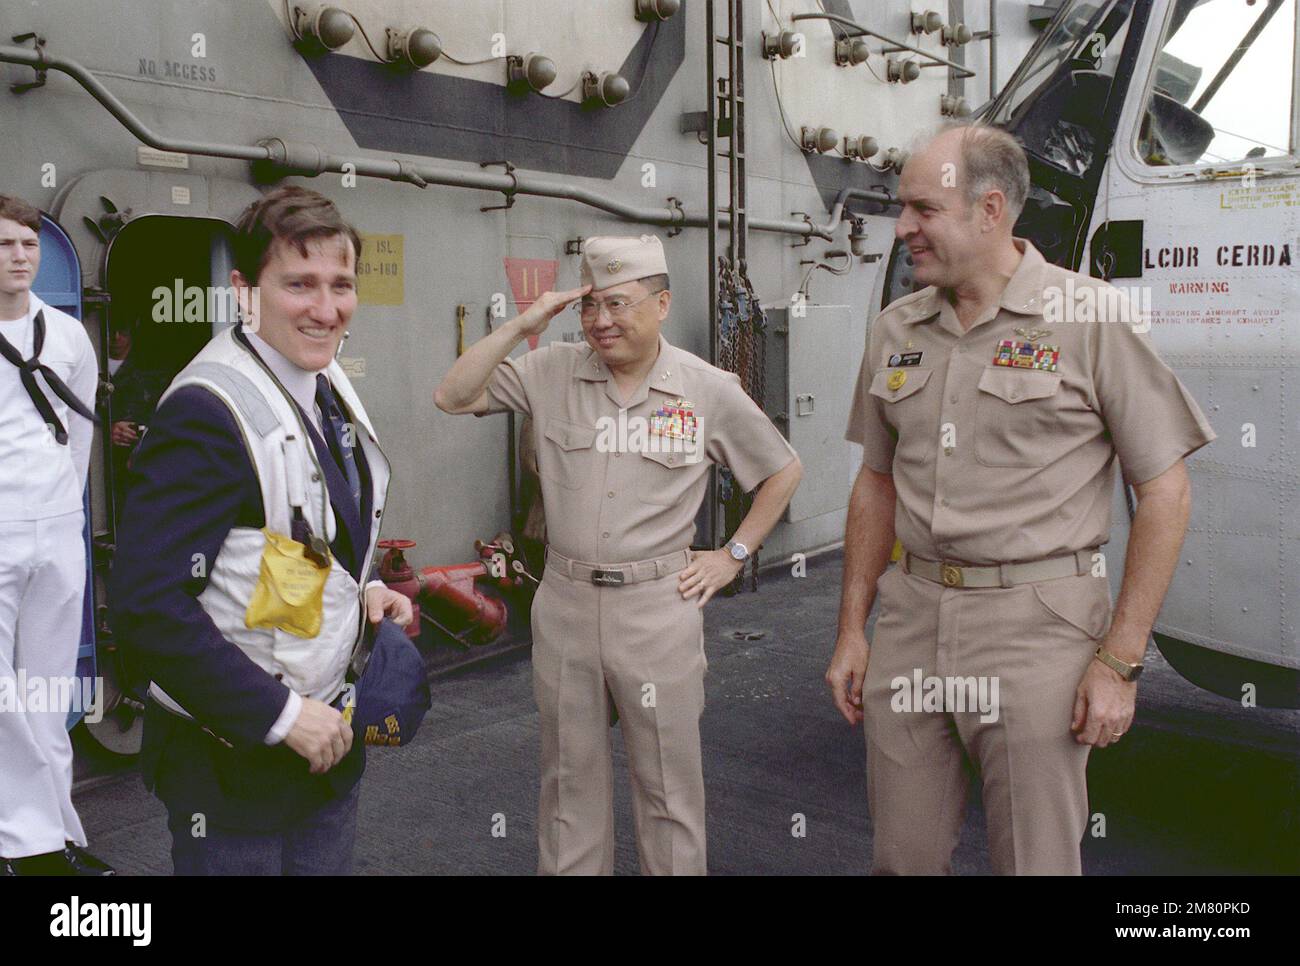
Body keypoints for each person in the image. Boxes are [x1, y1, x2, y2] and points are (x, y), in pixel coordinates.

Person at [825, 122, 1217, 875]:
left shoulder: (1092, 318)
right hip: (911, 617)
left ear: (990, 210)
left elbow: (1165, 488)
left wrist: (1122, 661)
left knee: (1033, 862)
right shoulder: (895, 328)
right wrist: (853, 627)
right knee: (900, 859)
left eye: (921, 210)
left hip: (1038, 630)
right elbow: (875, 482)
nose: (902, 227)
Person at [436, 234, 802, 875]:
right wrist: (525, 323)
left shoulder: (706, 388)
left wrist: (734, 554)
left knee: (667, 789)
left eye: (620, 304)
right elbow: (454, 394)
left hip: (657, 607)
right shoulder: (551, 371)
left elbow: (781, 469)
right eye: (590, 306)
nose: (601, 321)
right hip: (567, 604)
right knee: (566, 788)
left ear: (662, 304)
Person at [111, 186, 411, 875]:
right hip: (233, 763)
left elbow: (292, 535)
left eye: (340, 284)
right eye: (299, 284)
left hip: (326, 743)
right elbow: (147, 608)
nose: (326, 308)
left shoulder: (321, 377)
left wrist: (359, 594)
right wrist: (281, 716)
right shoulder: (207, 412)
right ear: (245, 292)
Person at [0, 194, 112, 875]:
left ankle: (57, 833)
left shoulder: (68, 338)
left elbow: (80, 438)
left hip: (55, 533)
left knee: (47, 692)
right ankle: (29, 844)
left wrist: (59, 516)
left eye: (28, 245)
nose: (18, 257)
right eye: (4, 245)